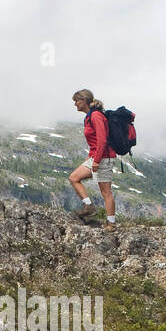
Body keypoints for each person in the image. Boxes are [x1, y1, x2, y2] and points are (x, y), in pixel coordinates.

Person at [69, 89, 117, 231]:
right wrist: (91, 157)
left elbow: (102, 140)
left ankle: (111, 223)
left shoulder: (95, 116)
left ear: (84, 100)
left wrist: (96, 160)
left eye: (77, 101)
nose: (75, 104)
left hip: (104, 158)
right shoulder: (89, 116)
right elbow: (95, 142)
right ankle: (88, 206)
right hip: (95, 156)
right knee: (74, 178)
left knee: (106, 192)